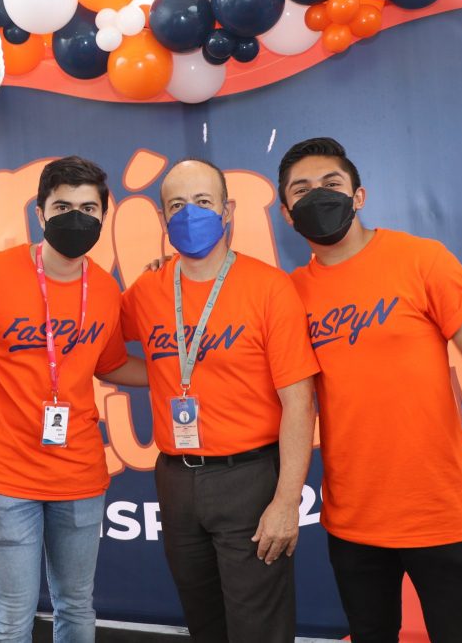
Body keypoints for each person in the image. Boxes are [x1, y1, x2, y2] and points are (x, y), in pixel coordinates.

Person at [277, 137, 462, 642]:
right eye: (301, 190)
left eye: (331, 184)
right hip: (353, 522)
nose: (317, 196)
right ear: (287, 214)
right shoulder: (288, 294)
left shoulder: (421, 259)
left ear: (359, 196)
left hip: (441, 513)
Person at [0, 156, 146, 642]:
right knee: (12, 614)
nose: (77, 217)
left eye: (89, 207)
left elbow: (110, 364)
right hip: (5, 477)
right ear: (40, 214)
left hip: (79, 474)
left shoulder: (107, 288)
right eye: (63, 205)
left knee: (76, 606)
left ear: (103, 213)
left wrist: (175, 374)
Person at [124, 159, 319, 642]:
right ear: (163, 218)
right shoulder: (148, 288)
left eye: (204, 202)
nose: (190, 214)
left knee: (258, 629)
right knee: (203, 622)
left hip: (249, 480)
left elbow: (300, 401)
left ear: (228, 210)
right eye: (177, 205)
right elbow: (99, 352)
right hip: (175, 478)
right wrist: (165, 375)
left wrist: (286, 500)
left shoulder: (269, 287)